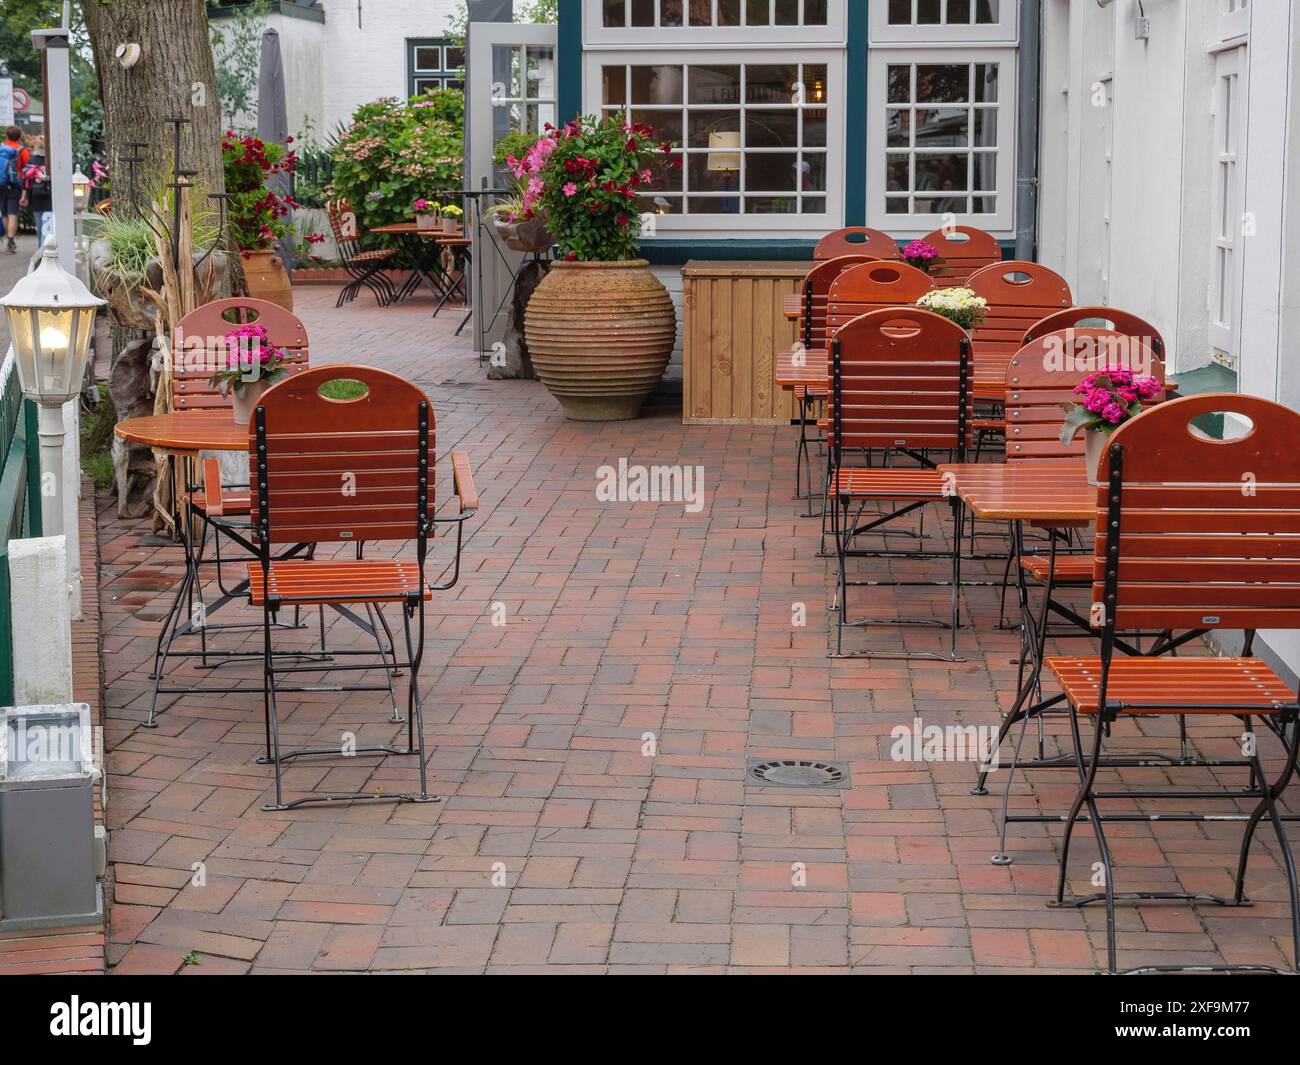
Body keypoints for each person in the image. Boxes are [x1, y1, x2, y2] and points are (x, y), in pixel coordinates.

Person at [0, 127, 31, 254]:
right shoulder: (21, 150)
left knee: (4, 214)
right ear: (19, 137)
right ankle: (10, 242)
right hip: (15, 185)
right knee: (13, 214)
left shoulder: (1, 147)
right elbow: (28, 169)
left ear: (7, 136)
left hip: (1, 184)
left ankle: (10, 242)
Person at [19, 150, 52, 248]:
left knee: (39, 225)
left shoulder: (31, 161)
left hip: (35, 197)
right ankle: (46, 248)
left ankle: (40, 248)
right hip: (49, 197)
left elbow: (26, 181)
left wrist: (23, 197)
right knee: (48, 225)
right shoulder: (51, 160)